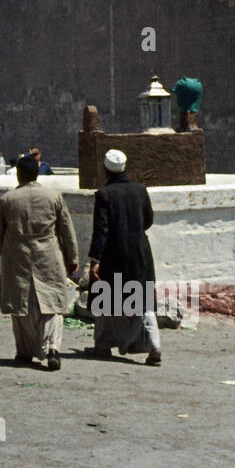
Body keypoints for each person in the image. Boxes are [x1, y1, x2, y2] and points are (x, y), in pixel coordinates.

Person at [0, 154, 79, 370]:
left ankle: (24, 350)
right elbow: (66, 230)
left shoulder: (8, 199)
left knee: (20, 303)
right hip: (48, 254)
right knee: (53, 303)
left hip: (17, 255)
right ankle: (53, 349)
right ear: (37, 173)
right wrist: (73, 258)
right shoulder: (53, 196)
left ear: (19, 174)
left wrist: (3, 250)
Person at [87, 149, 161, 366]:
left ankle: (102, 344)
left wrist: (95, 260)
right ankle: (155, 346)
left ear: (105, 169)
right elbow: (148, 220)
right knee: (144, 301)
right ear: (125, 167)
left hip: (113, 254)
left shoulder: (104, 195)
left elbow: (101, 230)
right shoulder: (140, 190)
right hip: (139, 253)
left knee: (104, 300)